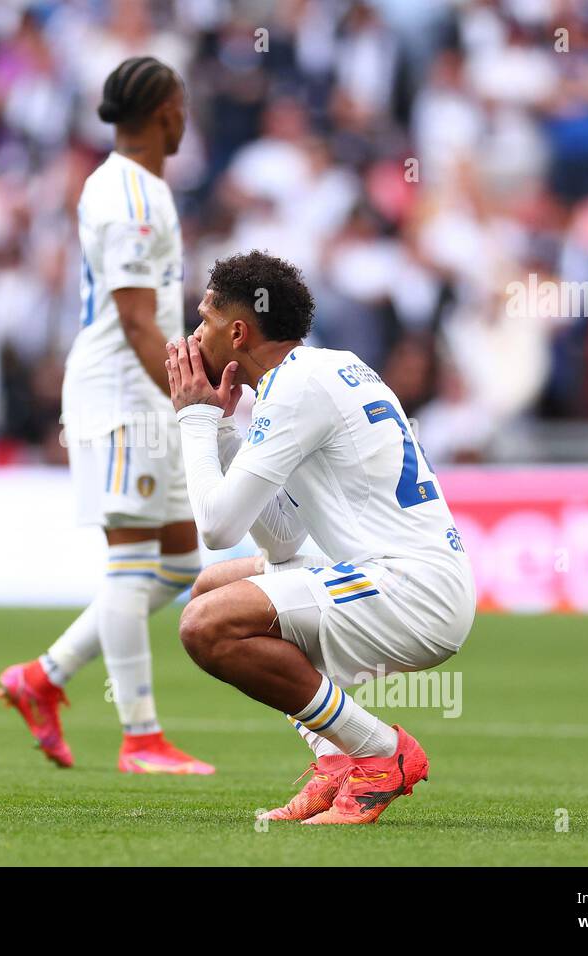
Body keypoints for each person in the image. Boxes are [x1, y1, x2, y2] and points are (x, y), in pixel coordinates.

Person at [164, 250, 476, 822]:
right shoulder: (321, 370)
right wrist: (228, 430)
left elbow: (217, 526)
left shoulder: (298, 387)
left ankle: (381, 753)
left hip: (411, 590)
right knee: (212, 592)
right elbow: (282, 541)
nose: (192, 334)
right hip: (397, 574)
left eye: (202, 319)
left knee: (206, 627)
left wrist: (195, 418)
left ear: (237, 331)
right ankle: (337, 762)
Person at [0, 57, 213, 774]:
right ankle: (140, 738)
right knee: (130, 561)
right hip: (124, 391)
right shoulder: (129, 194)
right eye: (180, 105)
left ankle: (43, 677)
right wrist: (187, 397)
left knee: (180, 561)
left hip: (140, 387)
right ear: (160, 110)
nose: (186, 119)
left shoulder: (137, 186)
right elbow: (132, 317)